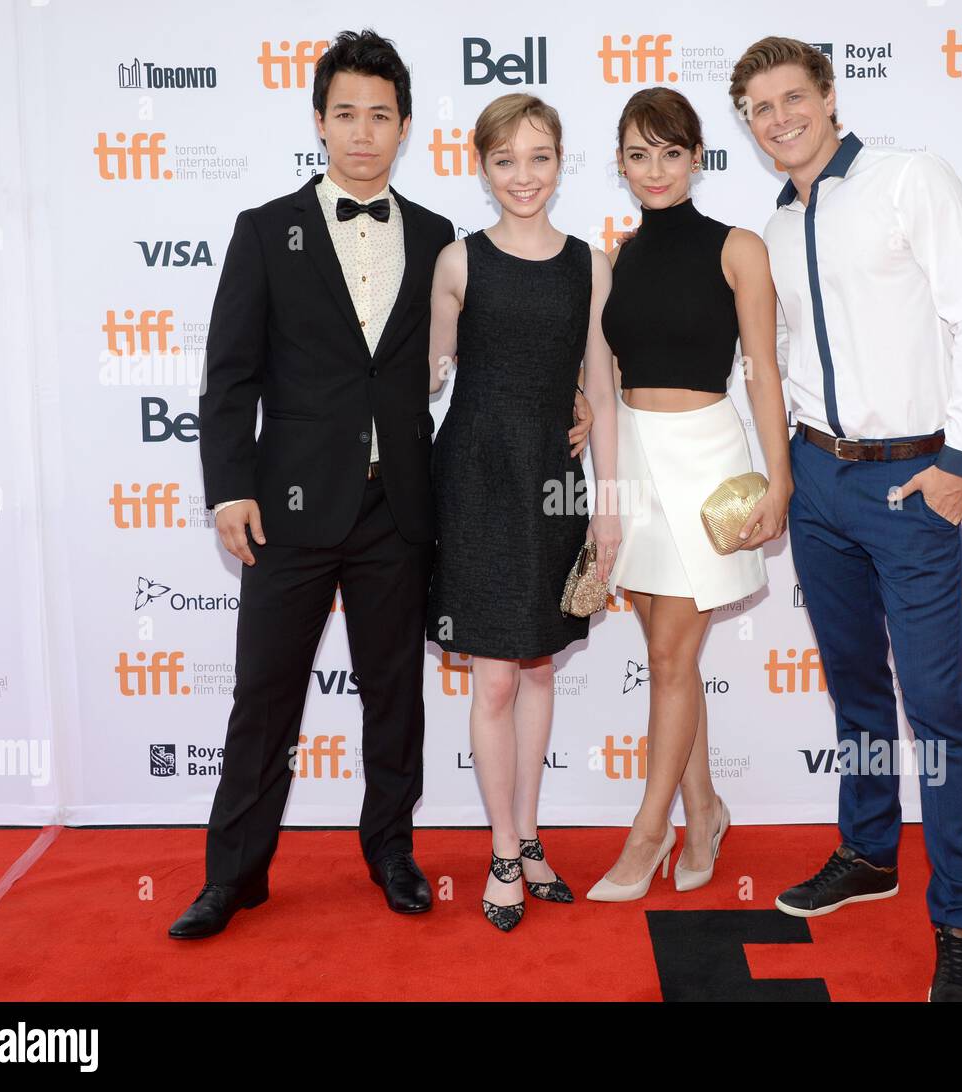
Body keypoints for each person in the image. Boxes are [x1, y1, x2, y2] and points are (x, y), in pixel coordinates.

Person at [170, 30, 593, 940]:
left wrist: (576, 399)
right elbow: (228, 375)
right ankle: (232, 876)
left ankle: (392, 854)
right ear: (319, 121)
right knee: (265, 695)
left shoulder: (444, 239)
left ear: (404, 128)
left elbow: (495, 354)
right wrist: (228, 488)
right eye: (346, 114)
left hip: (402, 502)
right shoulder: (263, 230)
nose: (363, 133)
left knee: (394, 693)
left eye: (382, 116)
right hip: (284, 508)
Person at [730, 37, 962, 1001]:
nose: (780, 119)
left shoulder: (906, 178)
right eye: (760, 108)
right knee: (855, 688)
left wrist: (960, 464)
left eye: (793, 97)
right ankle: (869, 850)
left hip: (913, 485)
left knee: (934, 710)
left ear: (829, 97)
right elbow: (772, 360)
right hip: (819, 484)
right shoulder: (768, 227)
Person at [588, 86, 791, 902]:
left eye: (670, 152)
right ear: (622, 165)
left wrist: (779, 481)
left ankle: (649, 834)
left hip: (707, 462)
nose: (655, 170)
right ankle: (702, 810)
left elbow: (765, 374)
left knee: (672, 657)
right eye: (638, 155)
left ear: (697, 157)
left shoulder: (739, 247)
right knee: (667, 658)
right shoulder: (615, 257)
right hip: (634, 462)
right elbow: (601, 377)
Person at [426, 93, 621, 932]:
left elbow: (603, 399)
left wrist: (608, 510)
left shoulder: (590, 264)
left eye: (539, 157)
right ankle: (503, 848)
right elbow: (428, 370)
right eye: (505, 160)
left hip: (553, 483)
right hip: (472, 482)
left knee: (539, 665)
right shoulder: (457, 261)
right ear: (482, 167)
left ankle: (531, 834)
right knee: (496, 674)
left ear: (560, 161)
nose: (523, 176)